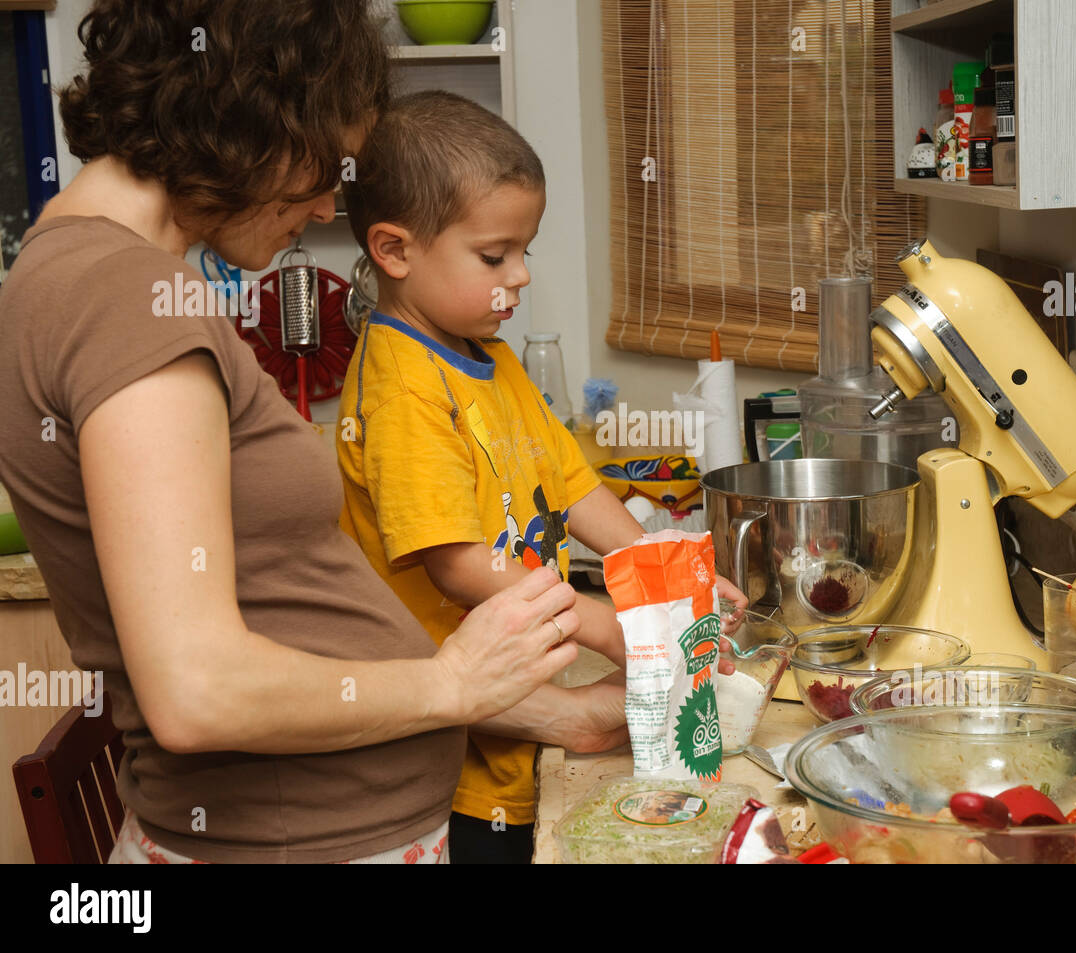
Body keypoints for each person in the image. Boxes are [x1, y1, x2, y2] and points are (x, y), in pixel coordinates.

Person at [0, 0, 620, 865]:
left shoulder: (66, 266)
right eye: (328, 165)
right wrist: (451, 681)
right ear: (254, 114)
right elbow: (198, 691)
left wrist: (547, 710)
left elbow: (282, 611)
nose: (333, 200)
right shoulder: (125, 301)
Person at [337, 91, 748, 863]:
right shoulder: (401, 386)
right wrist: (608, 626)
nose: (520, 275)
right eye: (495, 256)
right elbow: (456, 564)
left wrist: (661, 587)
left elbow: (572, 484)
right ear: (394, 251)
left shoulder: (488, 360)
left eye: (525, 249)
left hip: (522, 681)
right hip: (451, 759)